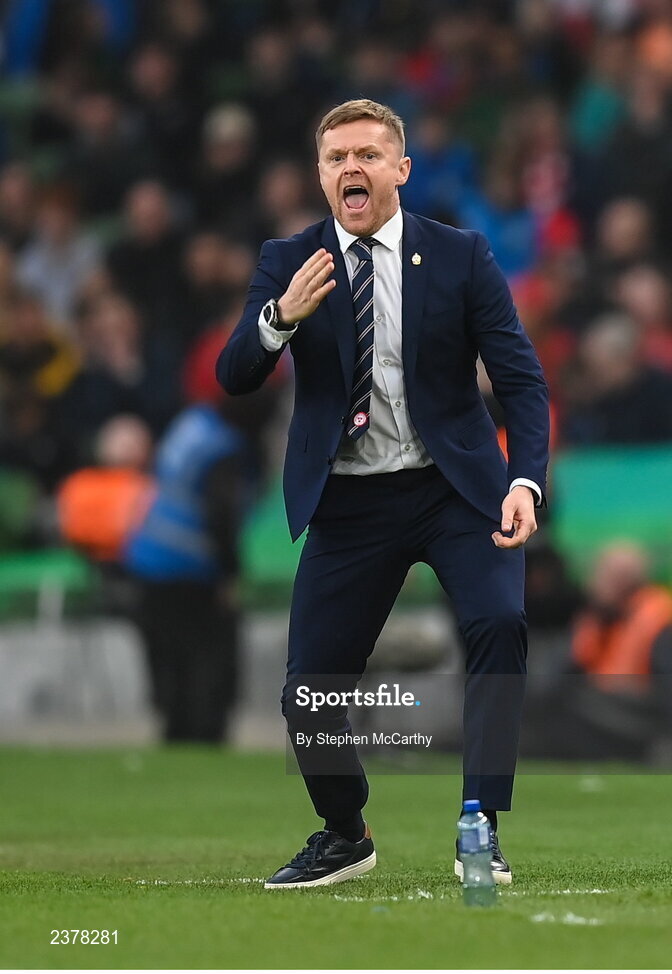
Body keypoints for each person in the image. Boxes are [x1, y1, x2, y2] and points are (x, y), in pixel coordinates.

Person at [217, 99, 550, 888]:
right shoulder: (289, 259)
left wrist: (525, 481)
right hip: (352, 500)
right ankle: (345, 833)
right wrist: (278, 318)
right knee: (306, 694)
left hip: (456, 486)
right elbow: (234, 375)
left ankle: (481, 819)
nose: (351, 169)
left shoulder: (462, 255)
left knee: (500, 622)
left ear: (401, 170)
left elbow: (522, 381)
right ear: (321, 176)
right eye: (336, 158)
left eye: (368, 154)